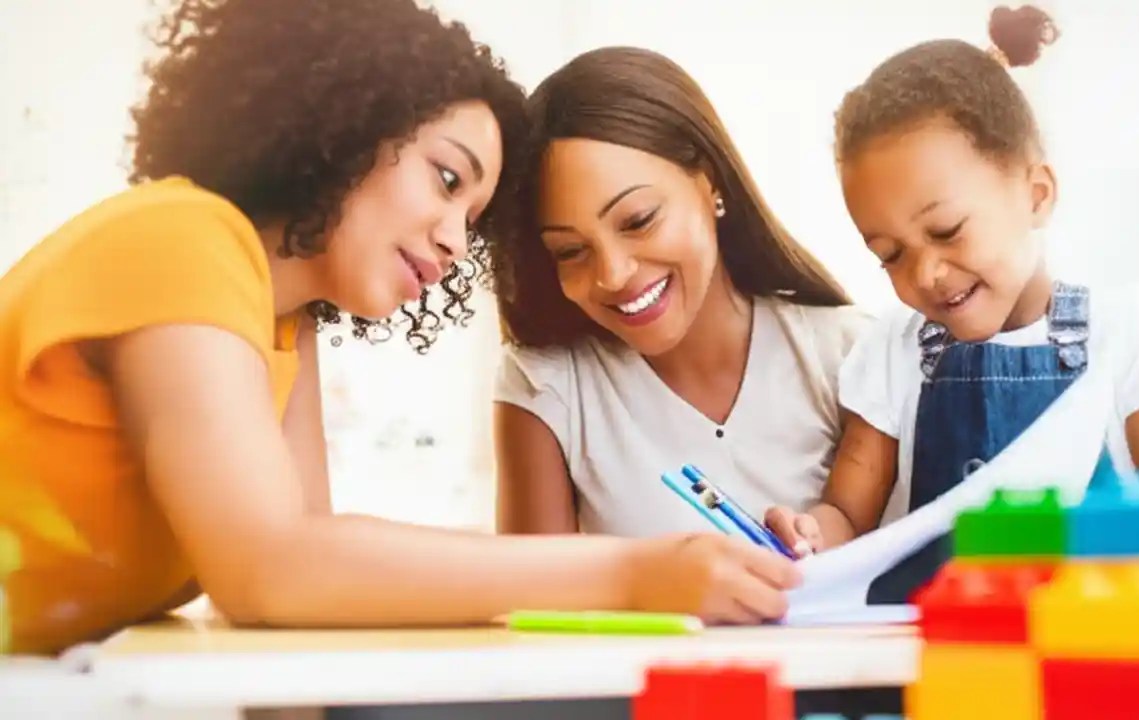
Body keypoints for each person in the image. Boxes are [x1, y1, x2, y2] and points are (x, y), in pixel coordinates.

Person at [0, 0, 796, 656]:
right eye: (447, 179)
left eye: (473, 217)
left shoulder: (281, 322)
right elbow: (269, 571)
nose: (455, 238)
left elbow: (304, 563)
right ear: (346, 125)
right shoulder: (183, 237)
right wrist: (633, 574)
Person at [764, 5, 1139, 601]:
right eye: (890, 254)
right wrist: (809, 537)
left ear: (1036, 195)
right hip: (929, 658)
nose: (927, 273)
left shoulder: (1131, 332)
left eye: (946, 231)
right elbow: (846, 514)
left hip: (1085, 653)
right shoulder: (891, 349)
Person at [490, 47, 871, 574]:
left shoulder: (852, 357)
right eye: (570, 251)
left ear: (709, 181)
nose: (613, 275)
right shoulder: (549, 386)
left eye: (638, 219)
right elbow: (528, 602)